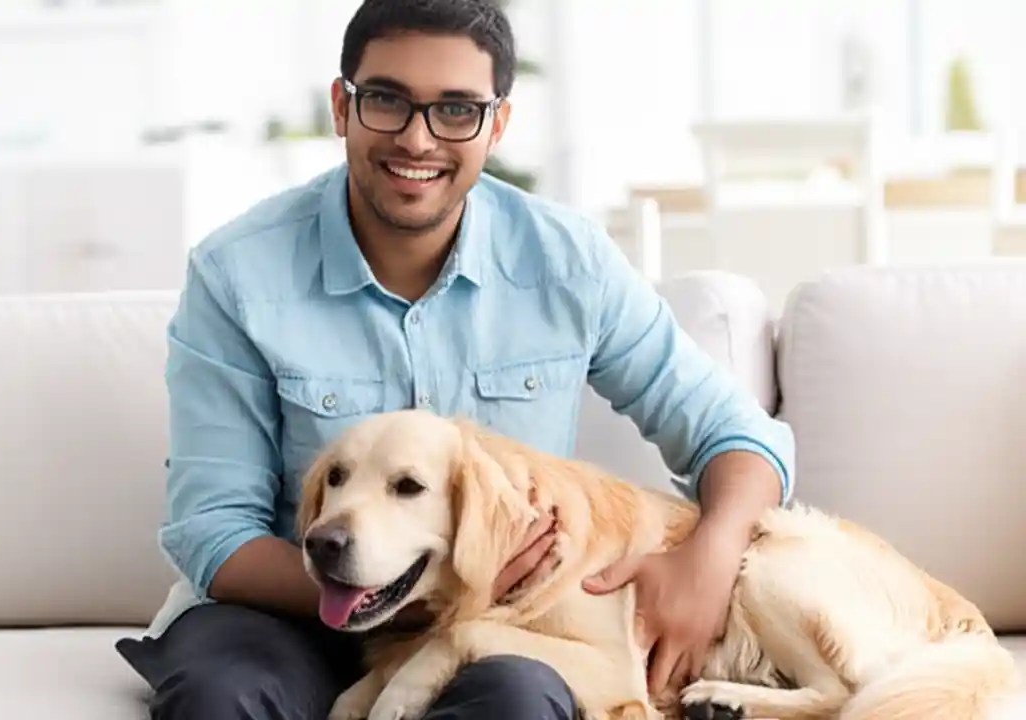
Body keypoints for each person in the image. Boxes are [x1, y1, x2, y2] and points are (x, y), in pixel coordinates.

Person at [115, 0, 795, 718]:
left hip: (497, 624)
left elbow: (737, 437)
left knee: (519, 700)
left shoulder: (567, 262)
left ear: (496, 125)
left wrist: (709, 559)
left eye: (456, 111)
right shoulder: (238, 273)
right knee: (221, 696)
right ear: (342, 106)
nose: (418, 138)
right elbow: (214, 532)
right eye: (386, 101)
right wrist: (388, 590)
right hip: (293, 609)